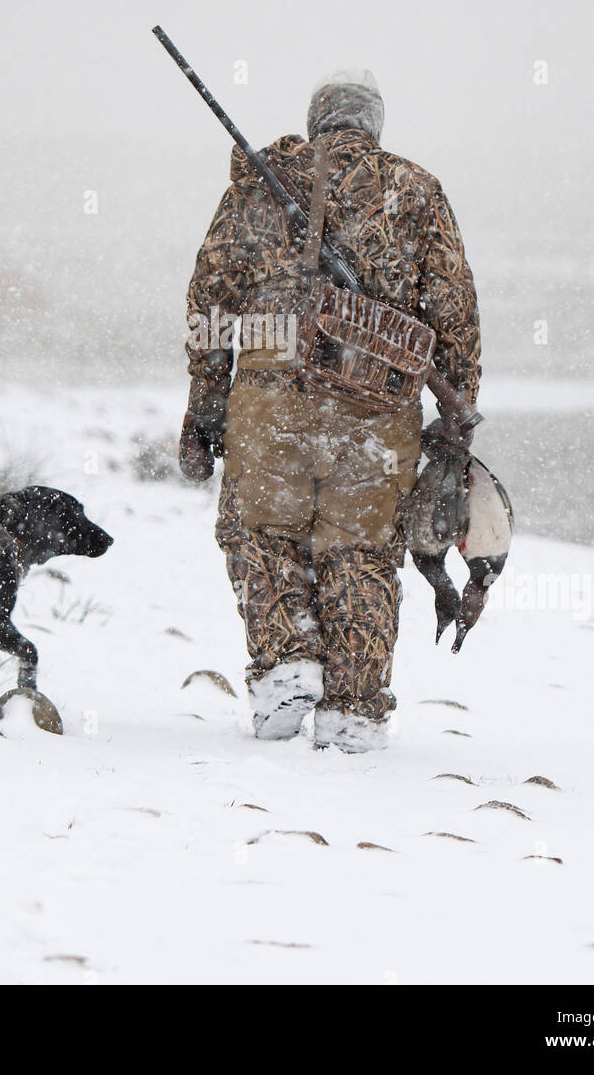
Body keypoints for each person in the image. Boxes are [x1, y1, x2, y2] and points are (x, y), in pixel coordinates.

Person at [180, 70, 481, 752]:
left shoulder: (257, 188)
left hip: (266, 400)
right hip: (375, 407)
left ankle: (285, 663)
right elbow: (454, 315)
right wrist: (457, 412)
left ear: (316, 120)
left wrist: (205, 404)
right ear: (372, 124)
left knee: (261, 535)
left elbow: (208, 304)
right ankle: (352, 710)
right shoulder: (415, 189)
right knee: (361, 554)